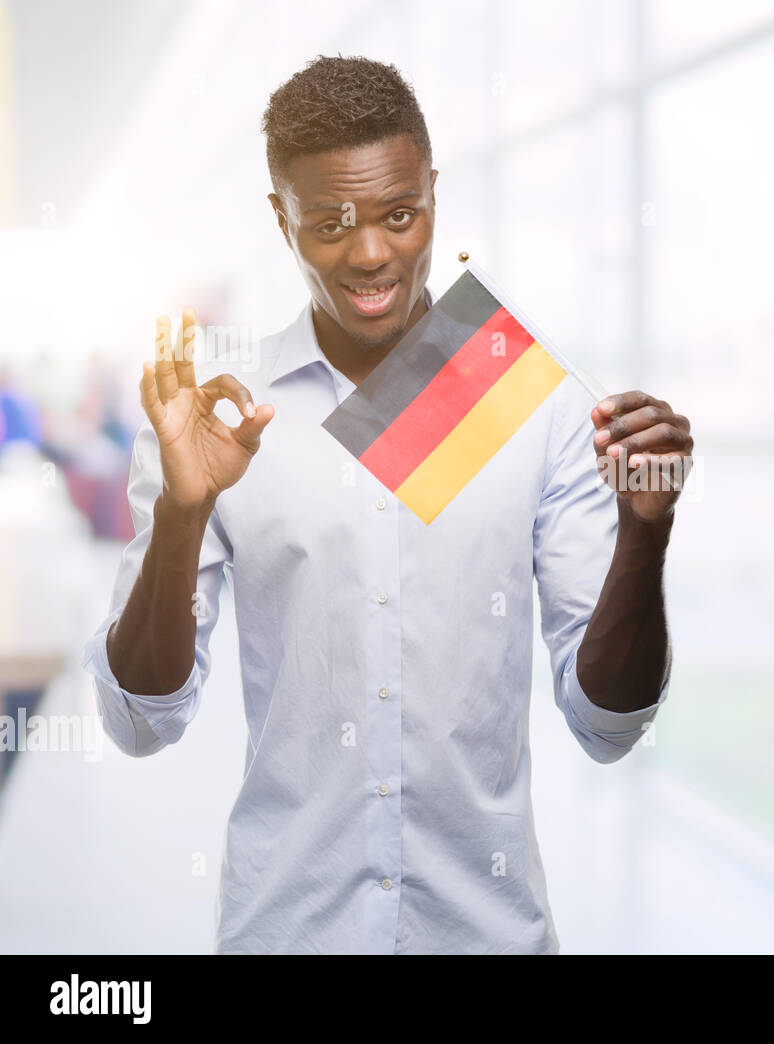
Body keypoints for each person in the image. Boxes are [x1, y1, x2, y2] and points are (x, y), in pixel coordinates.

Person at [80, 55, 694, 954]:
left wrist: (648, 537)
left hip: (485, 933)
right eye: (329, 223)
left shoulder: (530, 397)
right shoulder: (210, 417)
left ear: (435, 194)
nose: (371, 253)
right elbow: (141, 720)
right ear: (279, 217)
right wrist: (181, 514)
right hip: (287, 931)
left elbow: (607, 722)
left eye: (399, 215)